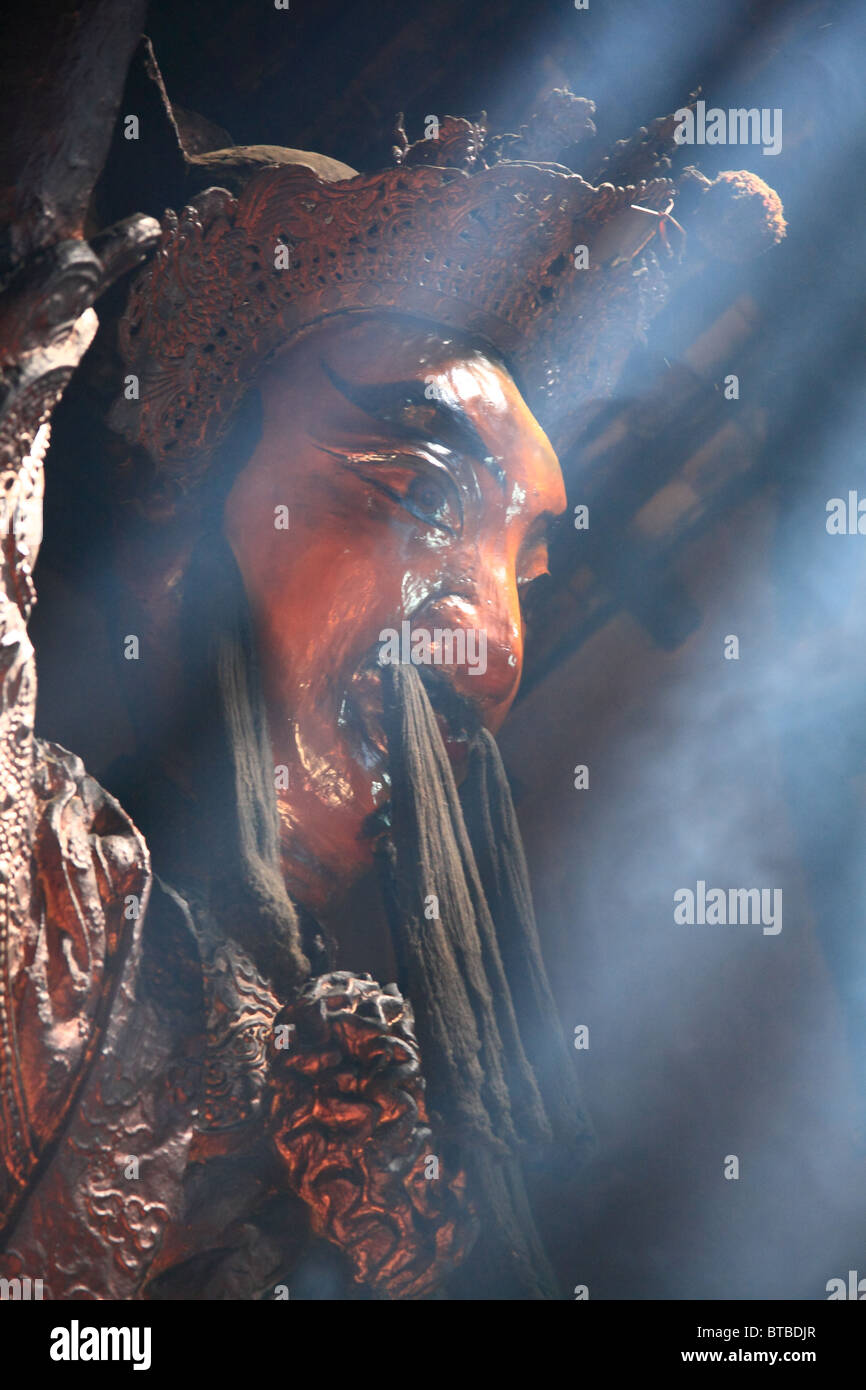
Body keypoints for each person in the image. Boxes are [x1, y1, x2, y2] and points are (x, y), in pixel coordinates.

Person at [0, 90, 784, 1299]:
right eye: (420, 498)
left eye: (526, 566)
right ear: (177, 531)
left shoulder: (357, 1143)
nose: (495, 639)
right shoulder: (41, 889)